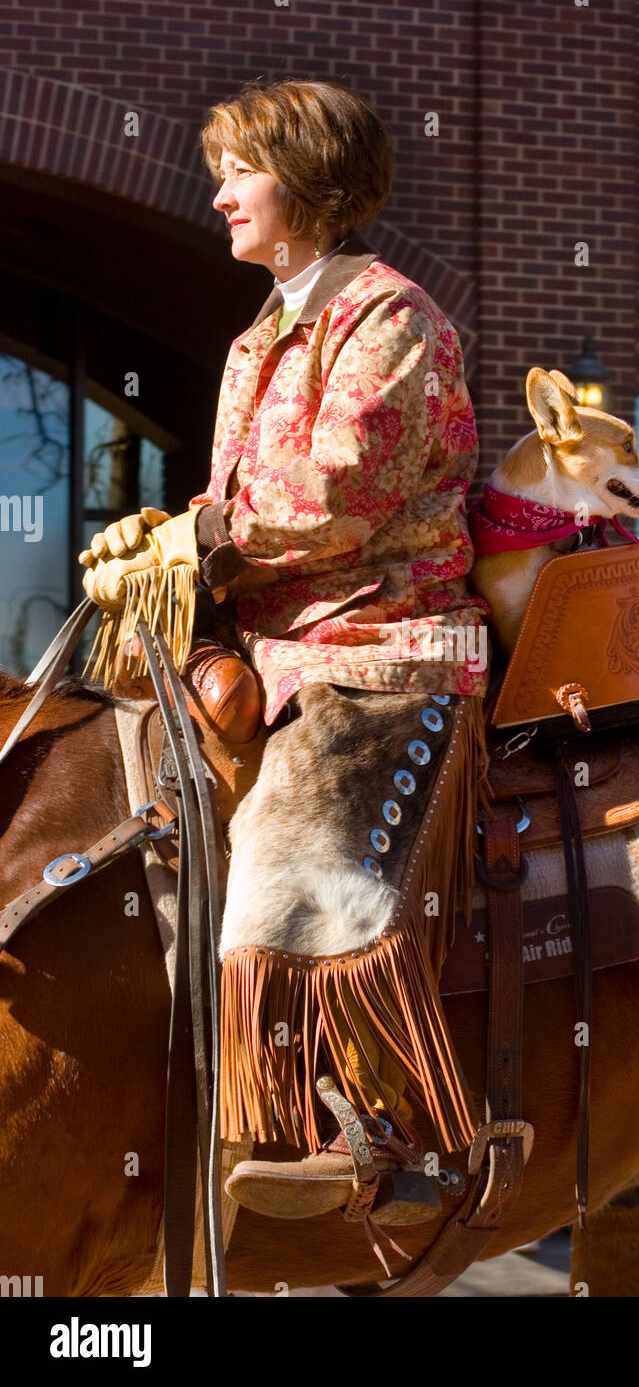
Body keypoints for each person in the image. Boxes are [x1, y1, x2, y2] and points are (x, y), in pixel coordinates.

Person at [79, 78, 490, 1229]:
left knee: (285, 844)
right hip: (276, 640)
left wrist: (195, 532)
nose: (216, 196)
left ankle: (386, 1132)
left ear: (307, 177)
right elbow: (234, 498)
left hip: (380, 644)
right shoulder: (259, 332)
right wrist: (159, 541)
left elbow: (336, 495)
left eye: (238, 171)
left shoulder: (388, 314)